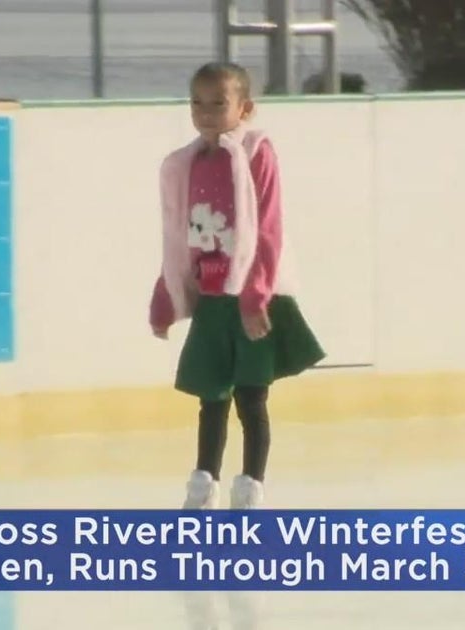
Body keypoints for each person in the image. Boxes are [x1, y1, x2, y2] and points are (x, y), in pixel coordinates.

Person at [149, 61, 326, 510]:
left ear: (244, 108)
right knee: (212, 394)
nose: (206, 113)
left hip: (253, 295)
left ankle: (251, 483)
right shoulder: (187, 164)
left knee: (251, 394)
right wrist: (167, 293)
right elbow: (178, 236)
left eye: (219, 103)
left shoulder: (256, 153)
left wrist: (255, 294)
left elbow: (268, 228)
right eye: (197, 103)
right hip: (211, 298)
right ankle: (204, 479)